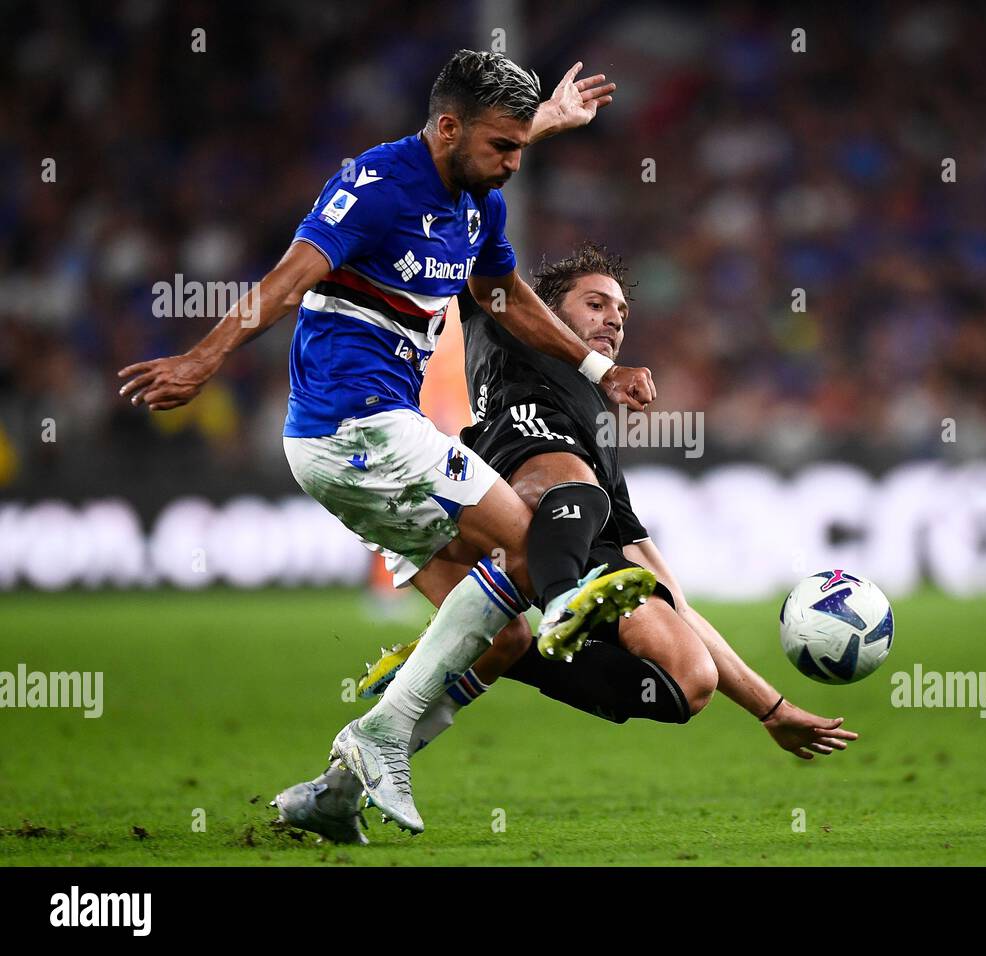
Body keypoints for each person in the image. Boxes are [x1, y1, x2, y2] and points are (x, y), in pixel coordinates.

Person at [118, 51, 657, 835]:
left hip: (372, 438)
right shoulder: (373, 188)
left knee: (501, 639)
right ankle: (378, 737)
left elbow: (499, 293)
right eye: (503, 147)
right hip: (354, 424)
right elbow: (290, 277)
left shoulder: (479, 200)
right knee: (534, 549)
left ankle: (335, 793)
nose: (515, 161)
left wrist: (599, 367)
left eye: (520, 144)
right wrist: (202, 360)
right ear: (446, 128)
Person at [274, 245, 858, 845]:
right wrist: (506, 155)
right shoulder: (506, 324)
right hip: (507, 494)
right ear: (546, 311)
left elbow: (679, 602)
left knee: (689, 681)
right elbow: (478, 268)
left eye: (623, 314)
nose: (613, 320)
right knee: (566, 493)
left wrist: (772, 708)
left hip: (581, 536)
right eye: (596, 303)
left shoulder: (599, 440)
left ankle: (337, 792)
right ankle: (560, 602)